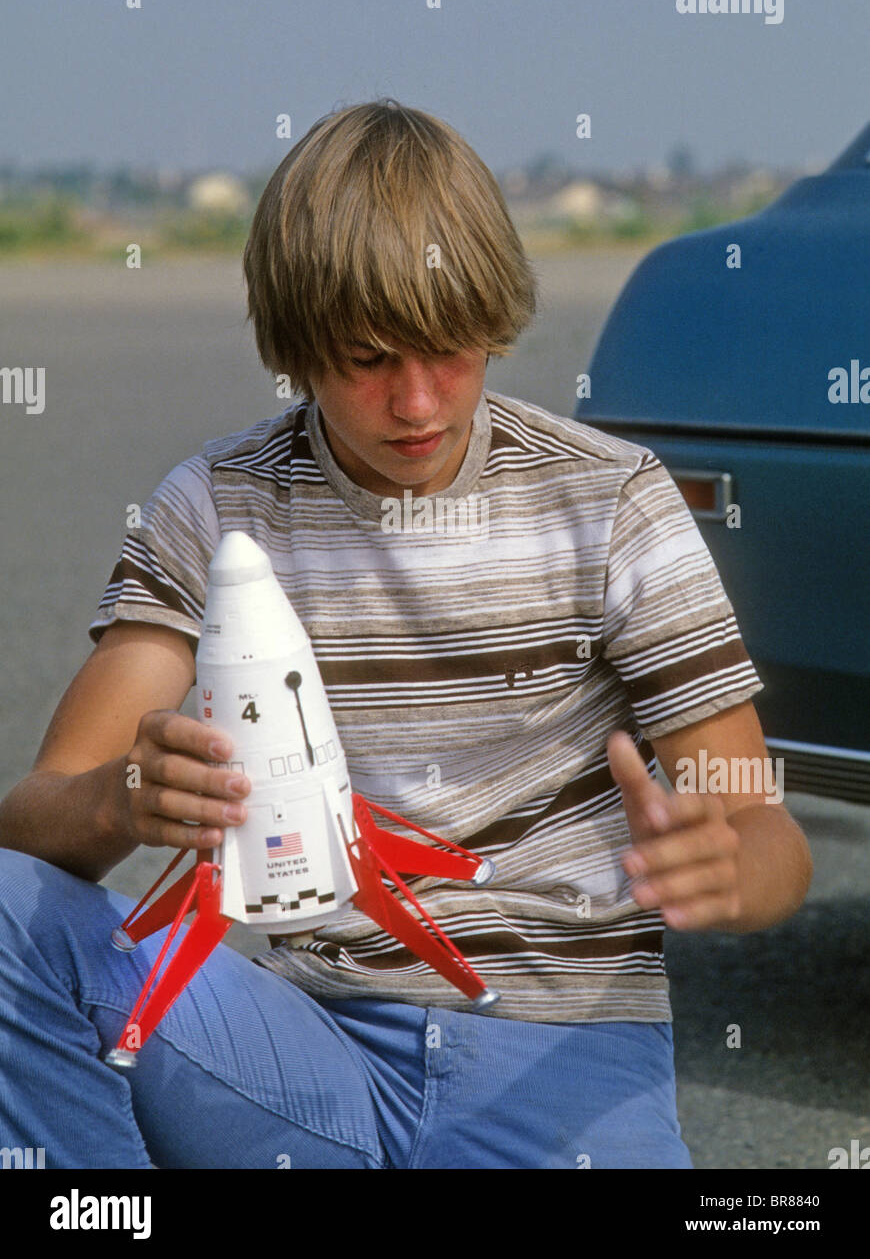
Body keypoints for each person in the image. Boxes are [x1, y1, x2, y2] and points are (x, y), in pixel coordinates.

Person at [0, 99, 812, 1170]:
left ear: (496, 319)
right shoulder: (218, 502)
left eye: (449, 347)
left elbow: (770, 842)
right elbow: (38, 823)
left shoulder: (614, 503)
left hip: (562, 1063)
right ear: (295, 349)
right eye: (369, 358)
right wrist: (126, 797)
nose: (419, 400)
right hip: (302, 1061)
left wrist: (728, 868)